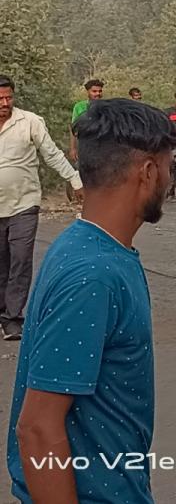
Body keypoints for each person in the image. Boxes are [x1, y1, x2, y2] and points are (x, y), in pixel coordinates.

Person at [9, 99, 174, 504]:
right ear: (149, 171)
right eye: (168, 165)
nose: (170, 178)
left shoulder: (90, 249)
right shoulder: (93, 274)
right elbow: (38, 428)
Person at [0, 77, 83, 341]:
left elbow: (52, 154)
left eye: (9, 98)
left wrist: (75, 179)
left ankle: (13, 318)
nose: (5, 103)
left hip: (24, 203)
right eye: (0, 99)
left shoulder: (30, 122)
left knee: (21, 260)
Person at [68, 79, 104, 163]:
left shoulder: (107, 107)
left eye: (100, 91)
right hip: (85, 147)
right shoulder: (79, 107)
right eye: (94, 91)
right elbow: (73, 129)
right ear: (88, 92)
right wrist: (73, 149)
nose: (98, 94)